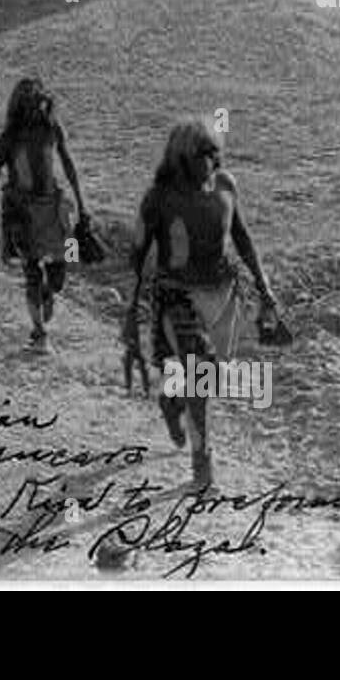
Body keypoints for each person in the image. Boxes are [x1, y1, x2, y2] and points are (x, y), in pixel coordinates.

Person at [126, 118, 278, 490]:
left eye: (217, 150)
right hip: (176, 296)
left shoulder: (227, 187)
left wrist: (265, 289)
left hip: (223, 294)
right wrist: (130, 314)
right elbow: (137, 255)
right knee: (200, 371)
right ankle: (202, 462)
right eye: (207, 153)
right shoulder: (160, 198)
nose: (216, 158)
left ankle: (172, 401)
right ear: (183, 159)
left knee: (211, 375)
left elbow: (243, 240)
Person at [0, 78, 90, 354]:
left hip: (53, 209)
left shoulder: (52, 129)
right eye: (30, 103)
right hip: (21, 212)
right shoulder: (8, 139)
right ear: (20, 107)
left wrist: (82, 203)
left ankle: (47, 292)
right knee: (31, 271)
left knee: (58, 274)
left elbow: (68, 164)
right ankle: (39, 332)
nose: (36, 108)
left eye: (39, 102)